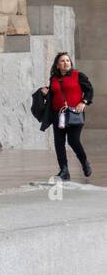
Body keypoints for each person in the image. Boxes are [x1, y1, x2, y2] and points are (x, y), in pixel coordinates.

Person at [39, 52, 93, 180]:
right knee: (59, 143)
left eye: (67, 61)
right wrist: (45, 93)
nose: (66, 63)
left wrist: (84, 102)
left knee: (73, 141)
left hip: (75, 114)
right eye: (62, 61)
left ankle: (85, 163)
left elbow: (89, 90)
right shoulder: (53, 79)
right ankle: (64, 170)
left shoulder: (78, 75)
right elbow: (54, 94)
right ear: (57, 65)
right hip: (58, 115)